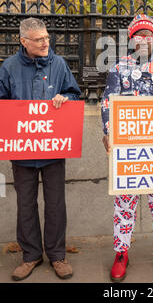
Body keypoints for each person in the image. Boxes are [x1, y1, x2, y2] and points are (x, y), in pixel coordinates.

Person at [101, 14, 153, 282]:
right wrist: (108, 133)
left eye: (148, 36)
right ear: (131, 39)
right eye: (138, 35)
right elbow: (107, 102)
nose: (143, 40)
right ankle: (121, 253)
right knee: (124, 202)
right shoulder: (118, 68)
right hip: (128, 151)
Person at [0, 18, 81, 281]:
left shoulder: (58, 64)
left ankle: (57, 255)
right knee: (25, 204)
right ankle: (31, 255)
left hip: (53, 148)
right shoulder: (9, 67)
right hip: (22, 150)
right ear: (23, 41)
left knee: (56, 204)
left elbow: (74, 94)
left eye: (47, 37)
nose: (46, 42)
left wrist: (65, 98)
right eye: (39, 39)